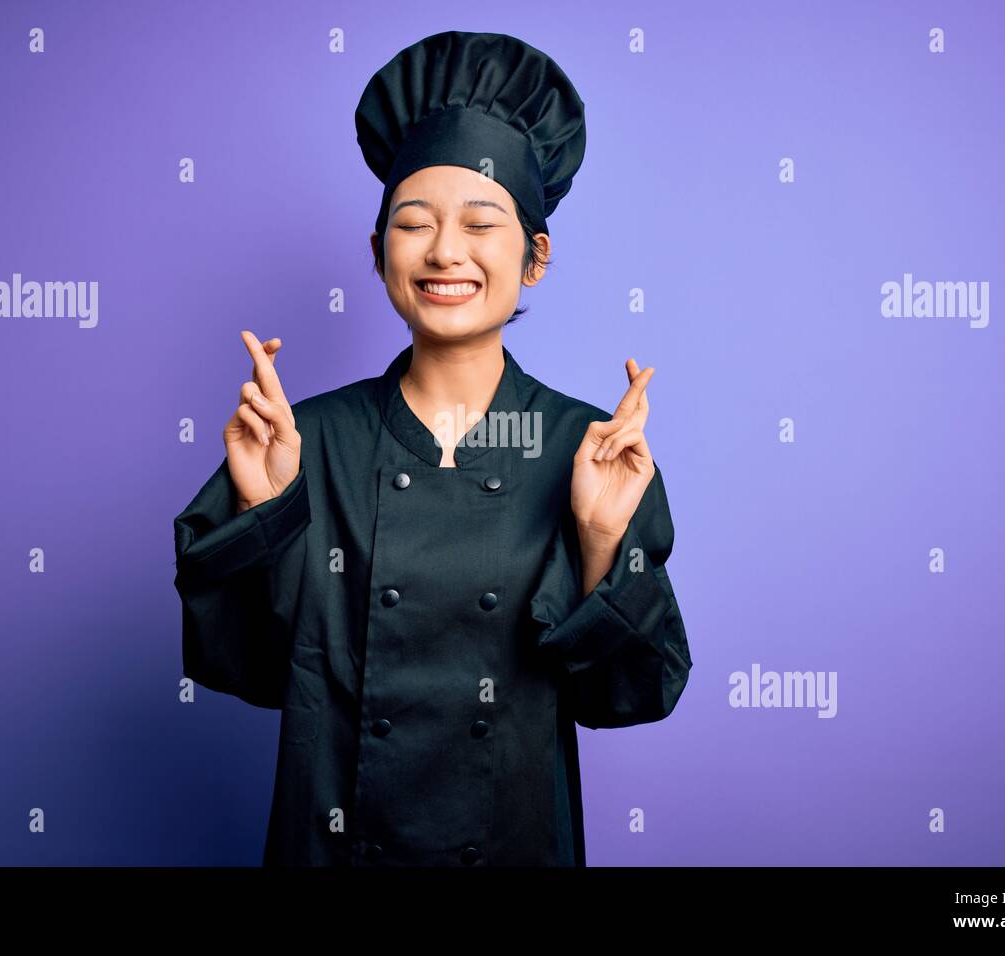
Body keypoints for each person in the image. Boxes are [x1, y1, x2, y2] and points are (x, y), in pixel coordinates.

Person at [172, 30, 692, 867]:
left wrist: (599, 542)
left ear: (536, 259)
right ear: (380, 256)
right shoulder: (309, 440)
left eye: (481, 223)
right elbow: (247, 670)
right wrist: (264, 512)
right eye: (414, 225)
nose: (445, 250)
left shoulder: (587, 450)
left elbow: (628, 695)